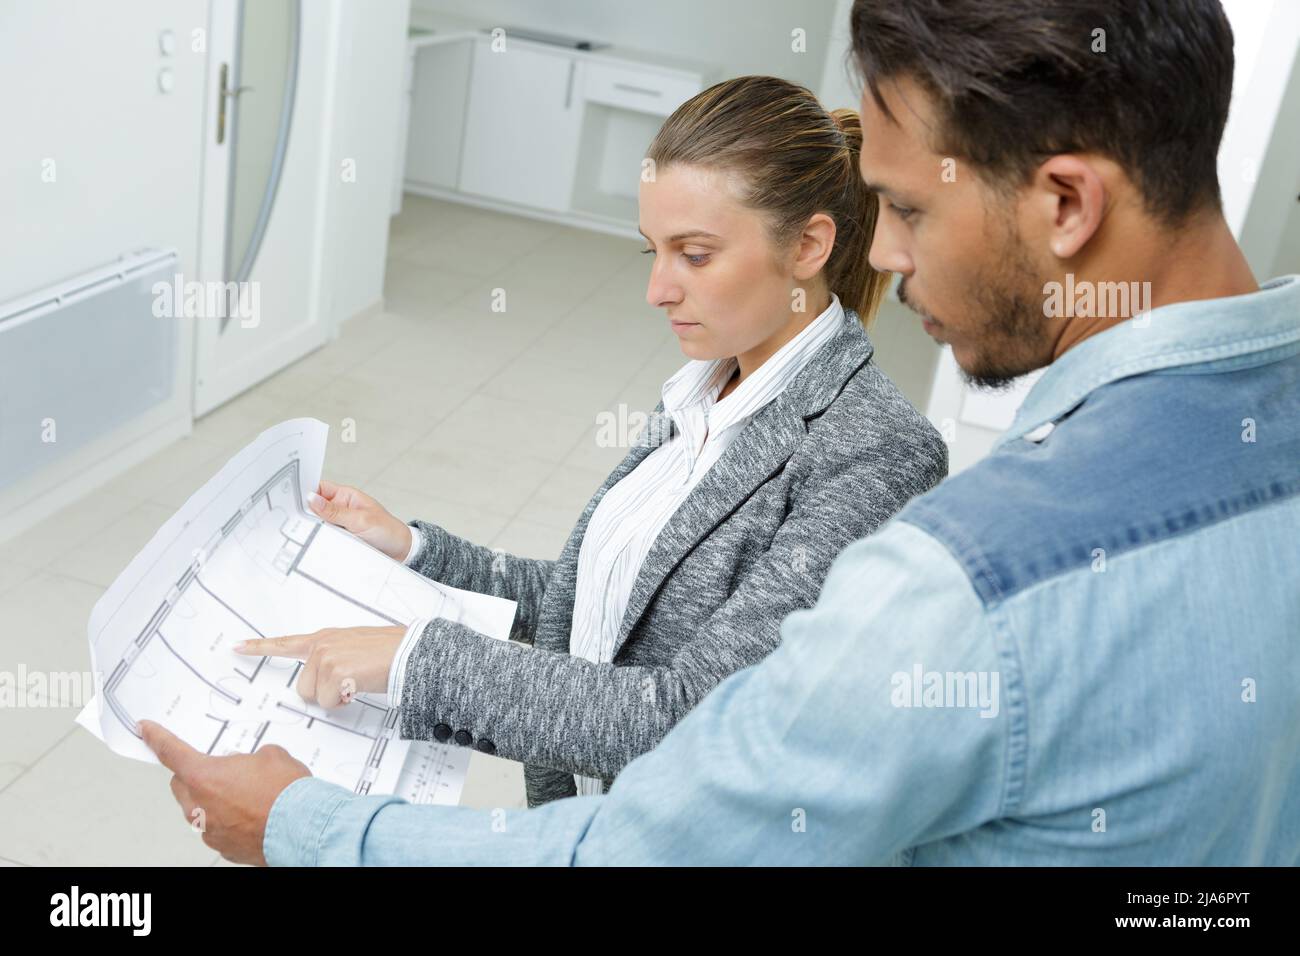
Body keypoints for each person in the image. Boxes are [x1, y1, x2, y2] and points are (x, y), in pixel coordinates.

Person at [144, 0, 1299, 865]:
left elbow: (668, 821)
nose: (885, 256)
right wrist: (422, 555)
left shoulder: (959, 571)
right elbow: (604, 607)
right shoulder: (696, 399)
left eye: (902, 209)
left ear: (1064, 204)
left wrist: (305, 822)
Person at [156, 75, 946, 808]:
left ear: (807, 248)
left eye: (695, 255)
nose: (657, 289)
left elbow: (690, 718)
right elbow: (596, 617)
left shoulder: (874, 452)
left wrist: (413, 660)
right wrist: (414, 550)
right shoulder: (709, 388)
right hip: (591, 826)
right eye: (653, 251)